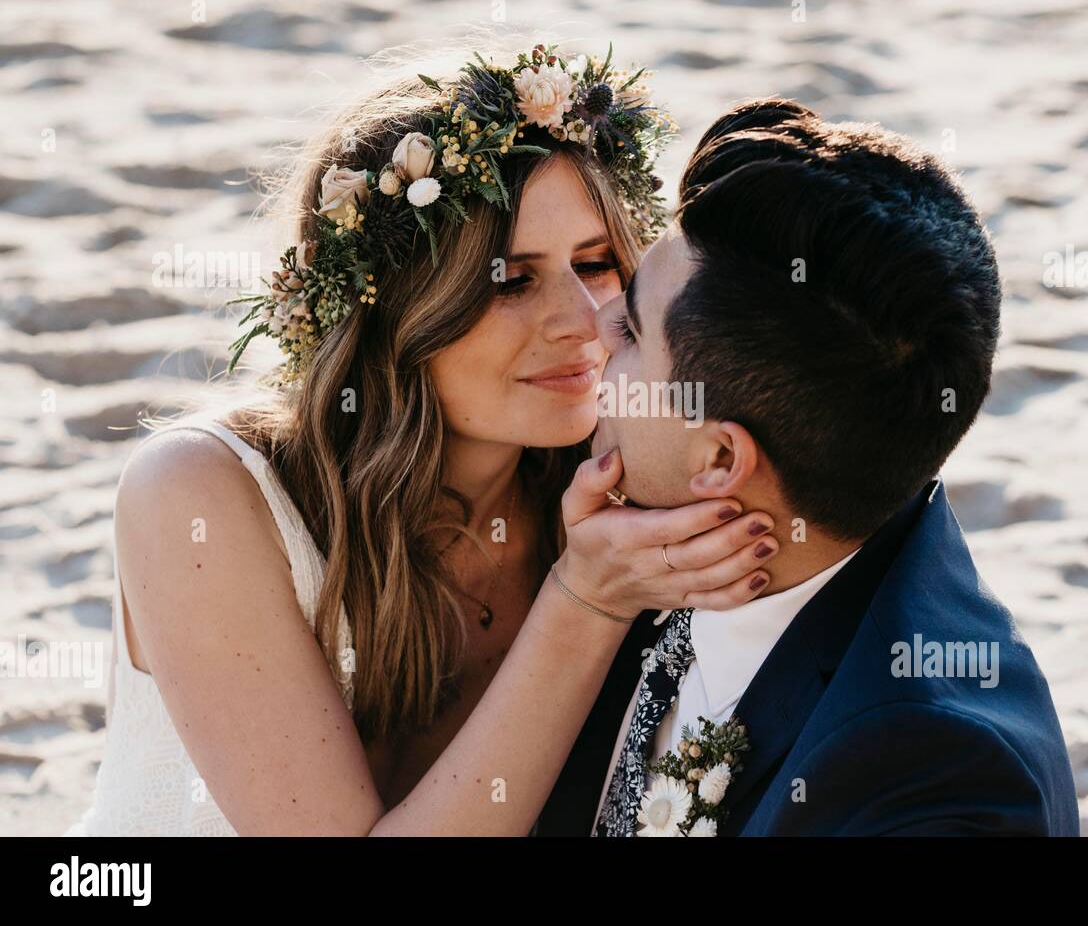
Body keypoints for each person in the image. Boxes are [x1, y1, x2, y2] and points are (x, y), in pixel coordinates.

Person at [66, 44, 779, 836]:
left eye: (597, 263)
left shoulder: (618, 477)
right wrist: (585, 602)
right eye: (509, 279)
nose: (585, 321)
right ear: (394, 308)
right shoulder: (202, 494)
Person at [538, 98, 1080, 836]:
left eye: (632, 329)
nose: (597, 328)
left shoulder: (939, 784)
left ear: (721, 459)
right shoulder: (647, 540)